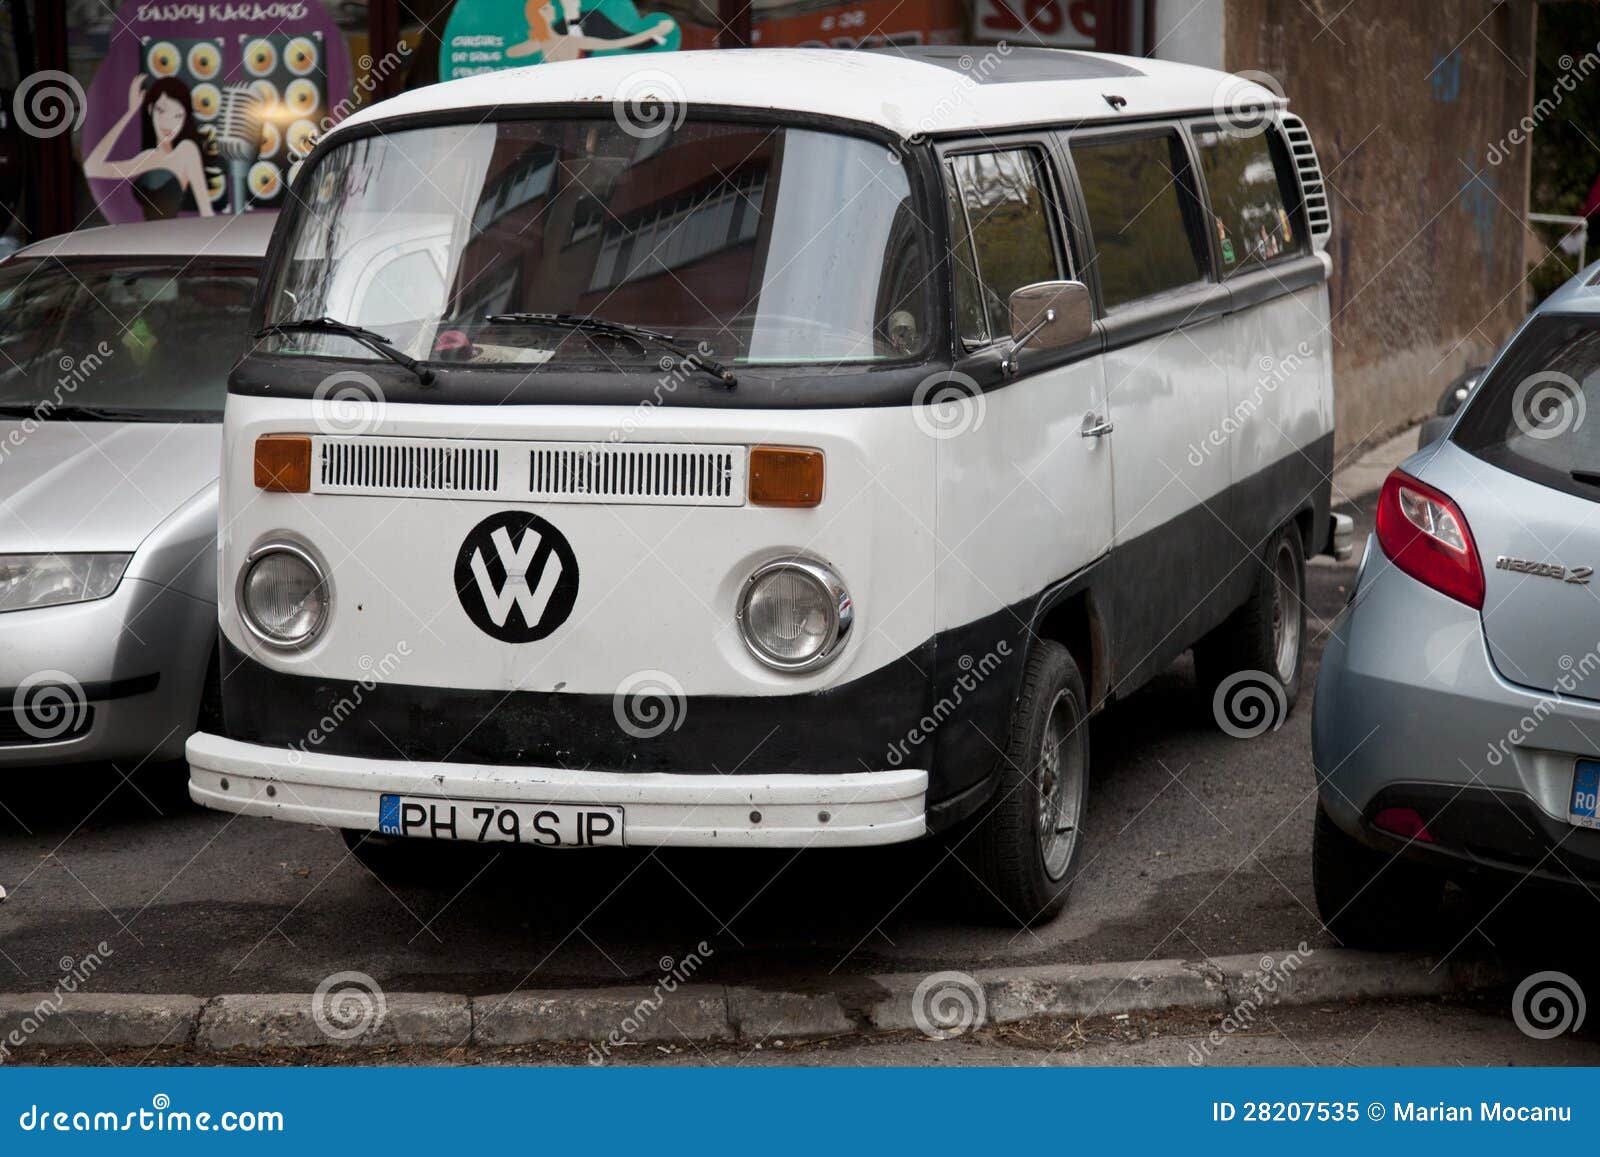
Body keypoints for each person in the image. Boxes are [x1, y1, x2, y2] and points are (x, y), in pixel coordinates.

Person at [84, 74, 214, 219]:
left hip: (175, 230)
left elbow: (206, 211)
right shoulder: (147, 158)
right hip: (146, 231)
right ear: (151, 109)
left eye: (178, 116)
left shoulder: (187, 151)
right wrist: (130, 112)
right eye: (161, 111)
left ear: (185, 119)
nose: (168, 123)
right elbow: (92, 167)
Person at [505, 0, 673, 62]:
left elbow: (512, 52)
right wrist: (657, 30)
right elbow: (619, 42)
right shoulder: (569, 40)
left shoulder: (542, 43)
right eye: (547, 7)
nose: (553, 8)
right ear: (539, 15)